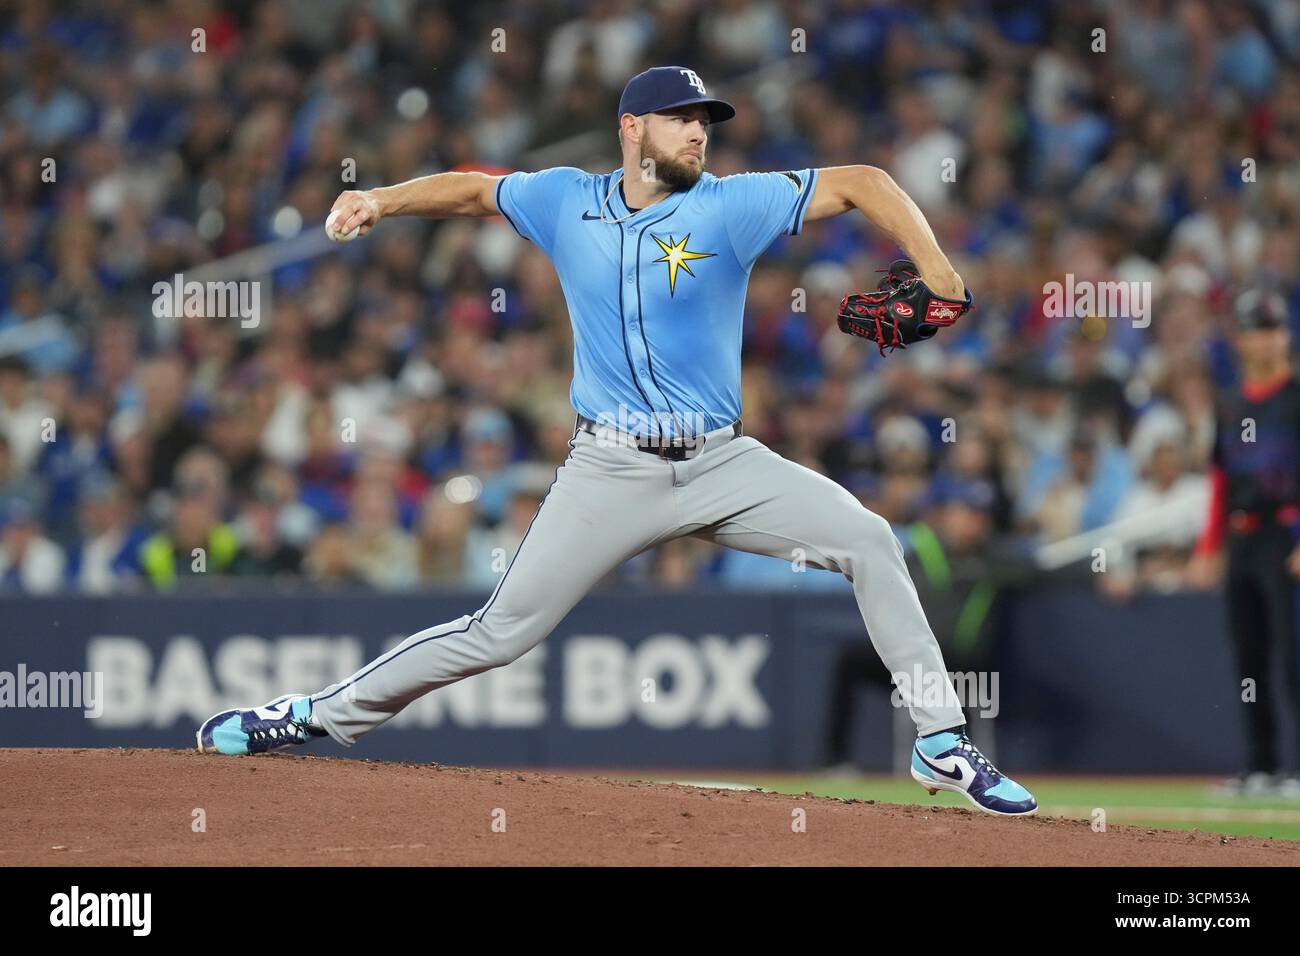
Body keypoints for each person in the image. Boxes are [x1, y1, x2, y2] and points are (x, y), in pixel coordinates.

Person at [198, 67, 1036, 816]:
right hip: (610, 466)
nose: (699, 131)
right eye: (680, 118)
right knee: (501, 632)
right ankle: (308, 715)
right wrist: (382, 199)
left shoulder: (730, 206)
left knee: (868, 539)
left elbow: (863, 181)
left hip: (721, 461)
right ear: (632, 129)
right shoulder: (565, 198)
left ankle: (939, 738)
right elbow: (472, 190)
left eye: (706, 119)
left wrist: (939, 270)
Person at [1189, 290, 1300, 798]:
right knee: (1249, 657)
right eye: (1260, 328)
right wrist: (1209, 546)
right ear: (1241, 339)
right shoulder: (1232, 403)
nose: (1271, 337)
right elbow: (1220, 479)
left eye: (1275, 328)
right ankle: (1260, 767)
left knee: (1293, 655)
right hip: (1241, 536)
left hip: (1287, 533)